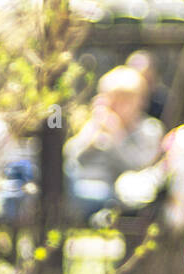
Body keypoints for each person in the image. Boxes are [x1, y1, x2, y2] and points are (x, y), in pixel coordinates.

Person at [64, 66, 164, 222]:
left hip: (116, 192)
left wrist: (117, 135)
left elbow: (140, 165)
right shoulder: (96, 125)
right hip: (79, 184)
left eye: (123, 100)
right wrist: (90, 135)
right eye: (111, 99)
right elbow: (69, 156)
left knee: (66, 194)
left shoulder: (149, 129)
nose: (115, 106)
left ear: (139, 101)